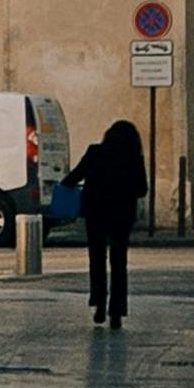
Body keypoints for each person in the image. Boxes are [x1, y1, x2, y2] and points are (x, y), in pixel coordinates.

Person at [77, 114, 147, 327]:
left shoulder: (95, 152)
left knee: (96, 260)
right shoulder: (133, 158)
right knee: (119, 263)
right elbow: (142, 189)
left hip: (96, 213)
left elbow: (75, 175)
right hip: (121, 215)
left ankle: (99, 303)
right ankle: (116, 312)